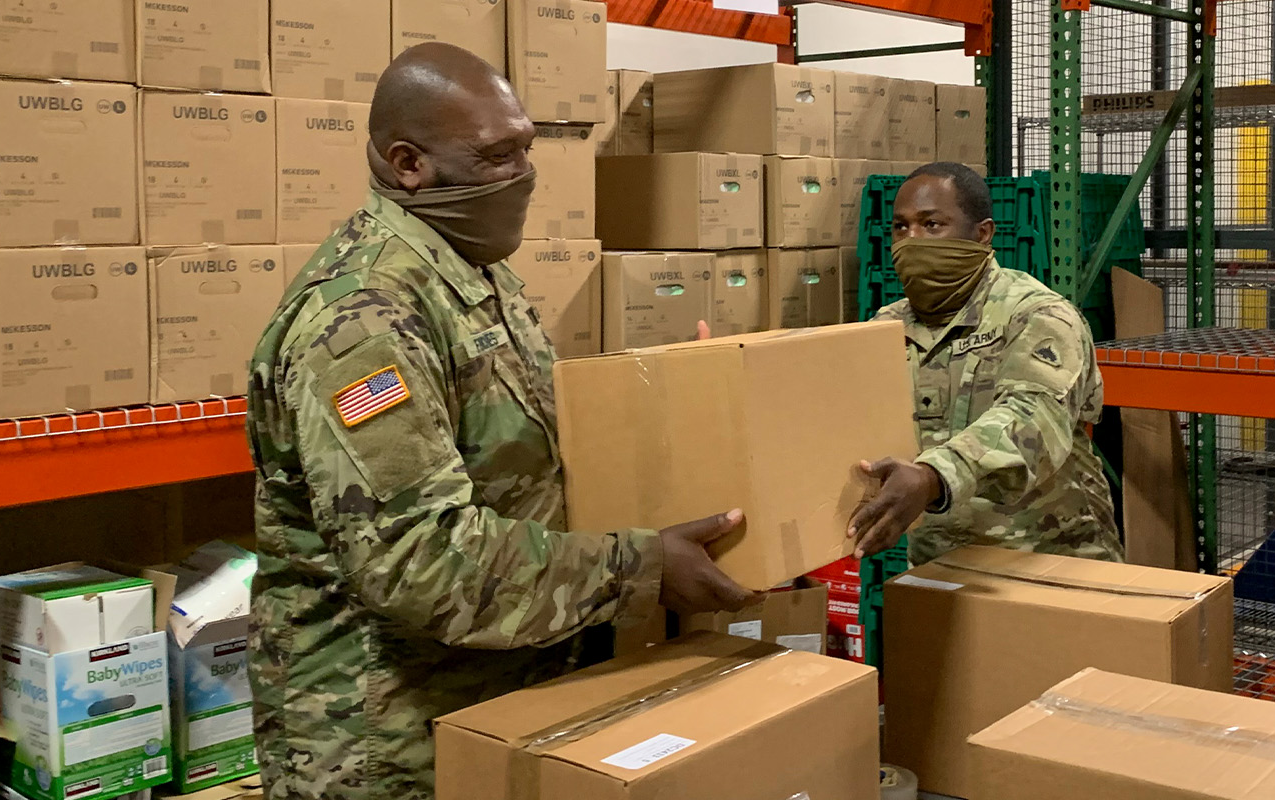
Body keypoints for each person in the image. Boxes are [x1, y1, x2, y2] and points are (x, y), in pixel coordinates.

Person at [244, 44, 752, 800]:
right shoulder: (364, 319)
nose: (523, 175)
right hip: (387, 739)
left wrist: (673, 401)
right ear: (408, 164)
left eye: (526, 149)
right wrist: (638, 567)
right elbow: (419, 560)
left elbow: (527, 456)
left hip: (495, 693)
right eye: (494, 156)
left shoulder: (473, 271)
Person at [848, 162, 1123, 566]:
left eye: (932, 224)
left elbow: (1033, 421)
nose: (912, 241)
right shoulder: (886, 328)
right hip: (942, 568)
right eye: (901, 227)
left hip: (1050, 561)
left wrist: (931, 477)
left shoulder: (1038, 315)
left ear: (983, 233)